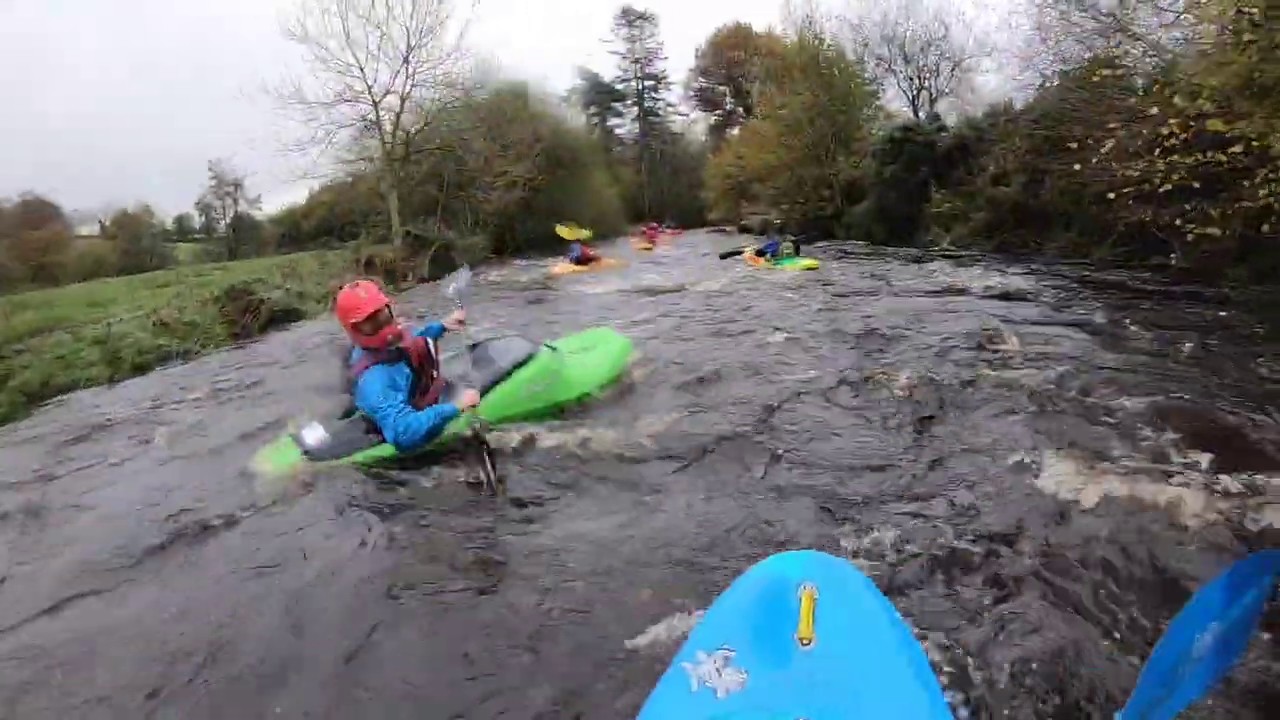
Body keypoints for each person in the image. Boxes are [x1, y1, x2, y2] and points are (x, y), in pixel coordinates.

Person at [334, 279, 481, 453]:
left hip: (415, 396)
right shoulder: (374, 382)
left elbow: (411, 340)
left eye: (383, 315)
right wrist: (456, 407)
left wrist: (442, 326)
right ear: (354, 330)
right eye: (370, 323)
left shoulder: (391, 339)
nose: (383, 326)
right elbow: (403, 433)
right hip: (401, 421)